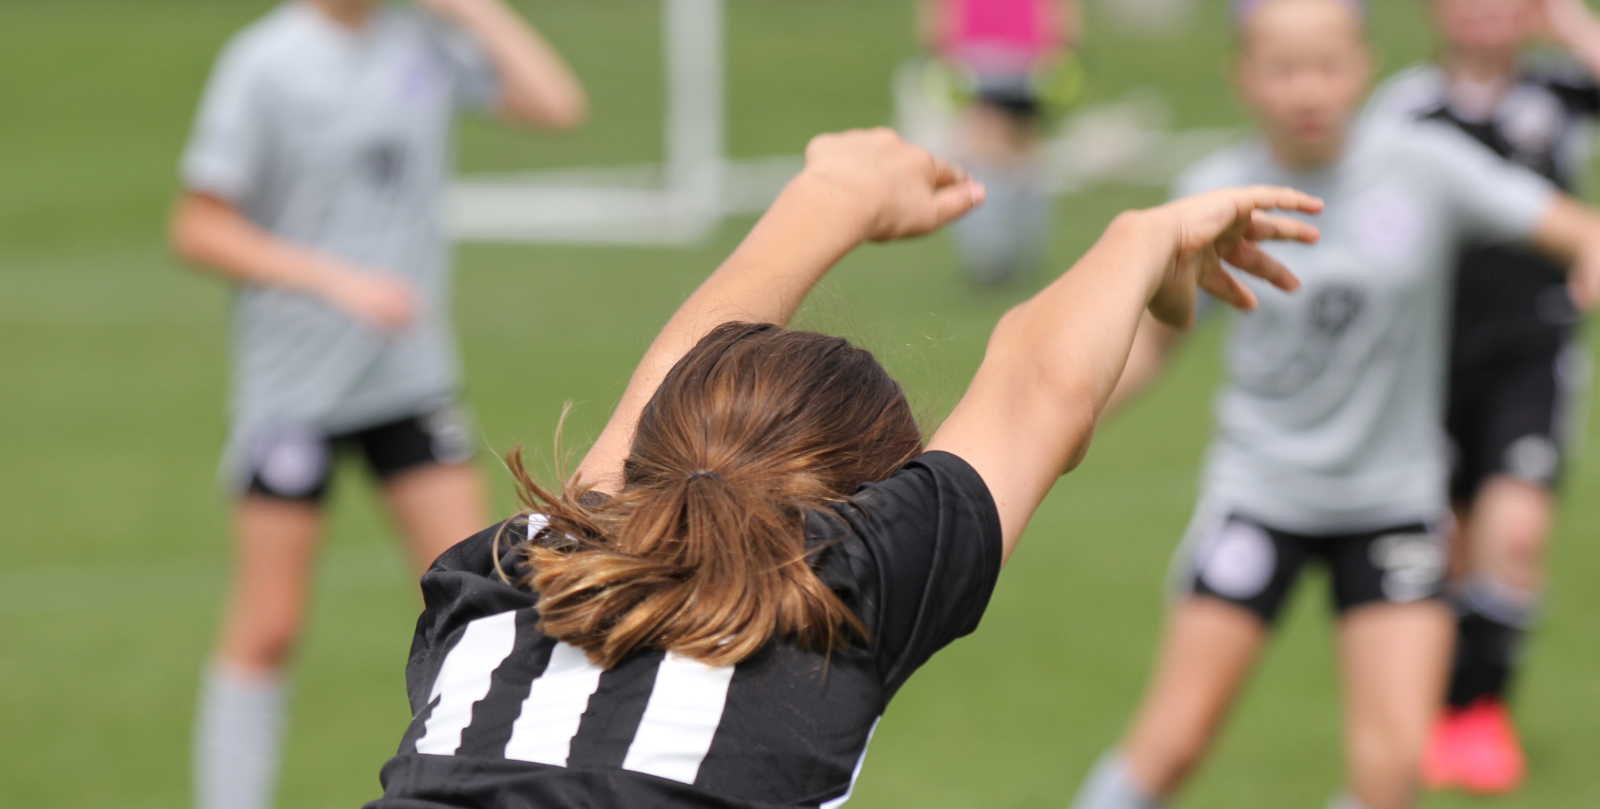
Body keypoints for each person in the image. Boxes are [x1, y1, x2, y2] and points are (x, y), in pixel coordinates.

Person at [358, 126, 1325, 808]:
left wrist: (831, 195)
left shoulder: (516, 569)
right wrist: (1144, 237)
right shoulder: (838, 591)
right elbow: (1037, 381)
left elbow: (662, 417)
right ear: (860, 504)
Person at [1067, 0, 1600, 809]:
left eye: (1325, 64)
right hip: (1262, 494)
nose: (1306, 88)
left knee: (1391, 779)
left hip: (1393, 505)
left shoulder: (1429, 166)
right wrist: (1062, 420)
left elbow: (1570, 226)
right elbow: (1156, 345)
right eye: (1282, 68)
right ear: (1244, 77)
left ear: (1363, 65)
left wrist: (1588, 253)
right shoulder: (1209, 196)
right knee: (1170, 748)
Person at [167, 0, 586, 808]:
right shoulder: (265, 63)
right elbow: (198, 224)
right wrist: (332, 279)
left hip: (409, 382)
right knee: (269, 626)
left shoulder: (425, 43)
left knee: (484, 607)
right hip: (297, 389)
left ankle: (482, 792)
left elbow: (558, 104)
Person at [1362, 0, 1600, 793]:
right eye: (1472, 0)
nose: (1491, 16)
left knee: (1519, 531)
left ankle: (1480, 712)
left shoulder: (1558, 96)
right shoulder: (1404, 110)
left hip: (1533, 355)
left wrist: (1576, 29)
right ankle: (1443, 705)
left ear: (1533, 3)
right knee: (1449, 547)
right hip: (1425, 363)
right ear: (1437, 6)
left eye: (1510, 0)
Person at [911, 0, 1079, 284]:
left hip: (1026, 55)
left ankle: (1007, 255)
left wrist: (1065, 47)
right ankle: (996, 256)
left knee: (1016, 155)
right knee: (995, 153)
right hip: (979, 56)